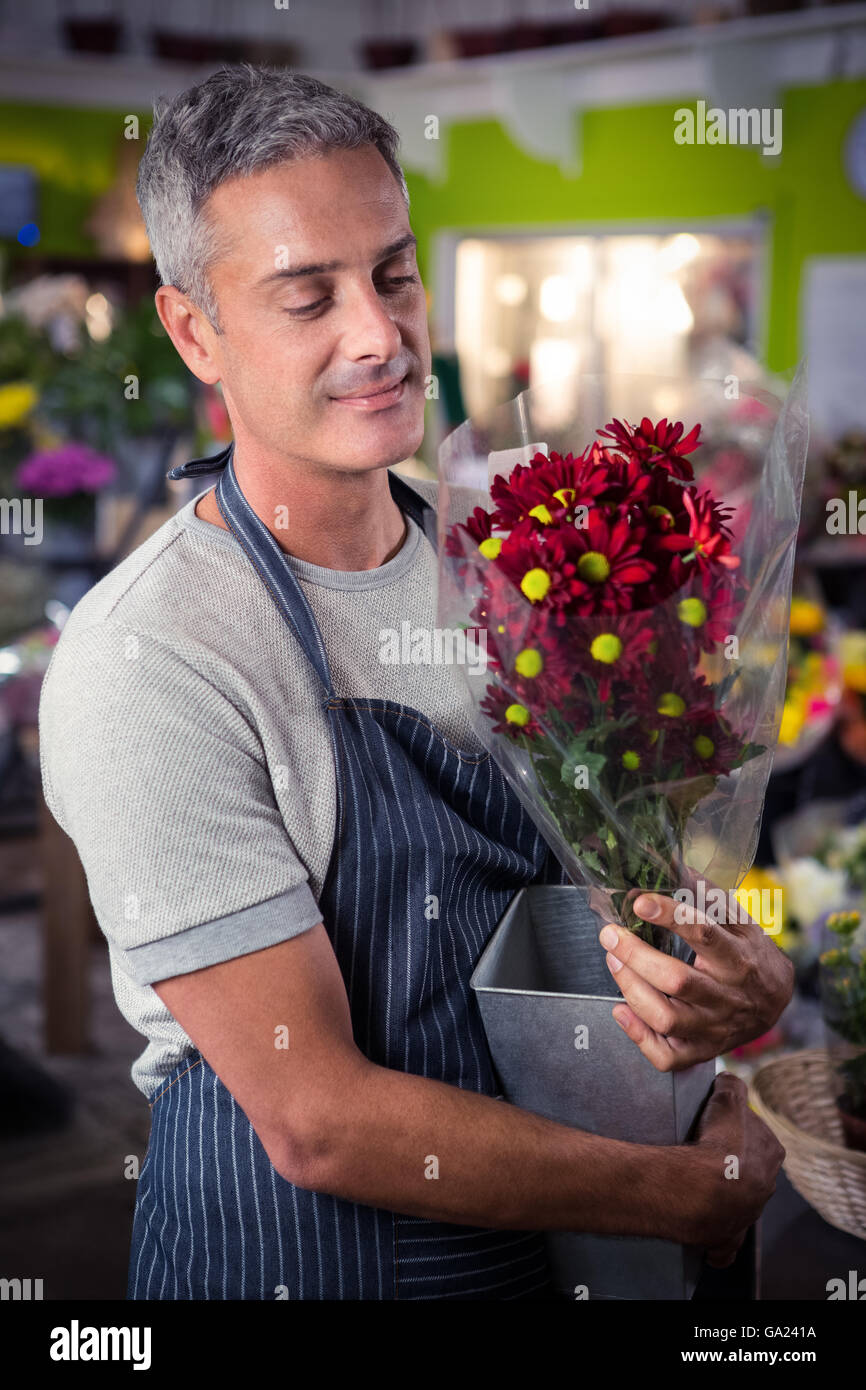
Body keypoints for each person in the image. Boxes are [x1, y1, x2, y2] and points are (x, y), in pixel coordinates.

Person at [38, 64, 792, 1302]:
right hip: (312, 1262)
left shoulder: (517, 557)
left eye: (393, 272)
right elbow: (315, 1117)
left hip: (563, 1243)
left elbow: (609, 902)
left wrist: (728, 979)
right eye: (306, 296)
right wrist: (674, 1198)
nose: (379, 334)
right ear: (193, 331)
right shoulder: (156, 659)